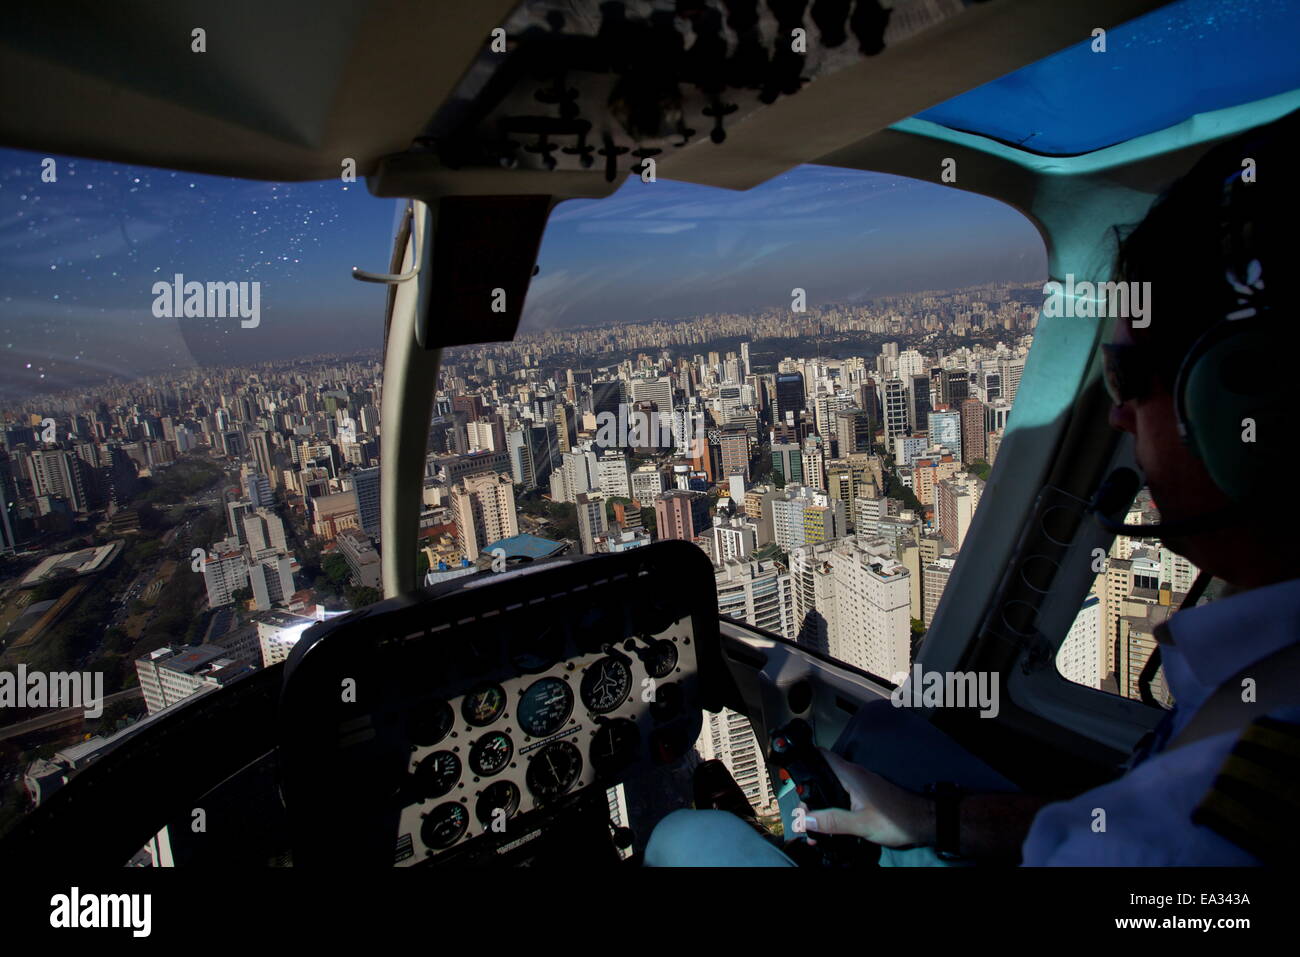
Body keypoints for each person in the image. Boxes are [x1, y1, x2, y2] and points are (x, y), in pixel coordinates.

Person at [646, 108, 1300, 867]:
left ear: (1251, 397)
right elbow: (1100, 821)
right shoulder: (1247, 694)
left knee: (685, 838)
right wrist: (933, 819)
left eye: (1125, 371)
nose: (1117, 413)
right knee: (886, 731)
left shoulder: (1208, 831)